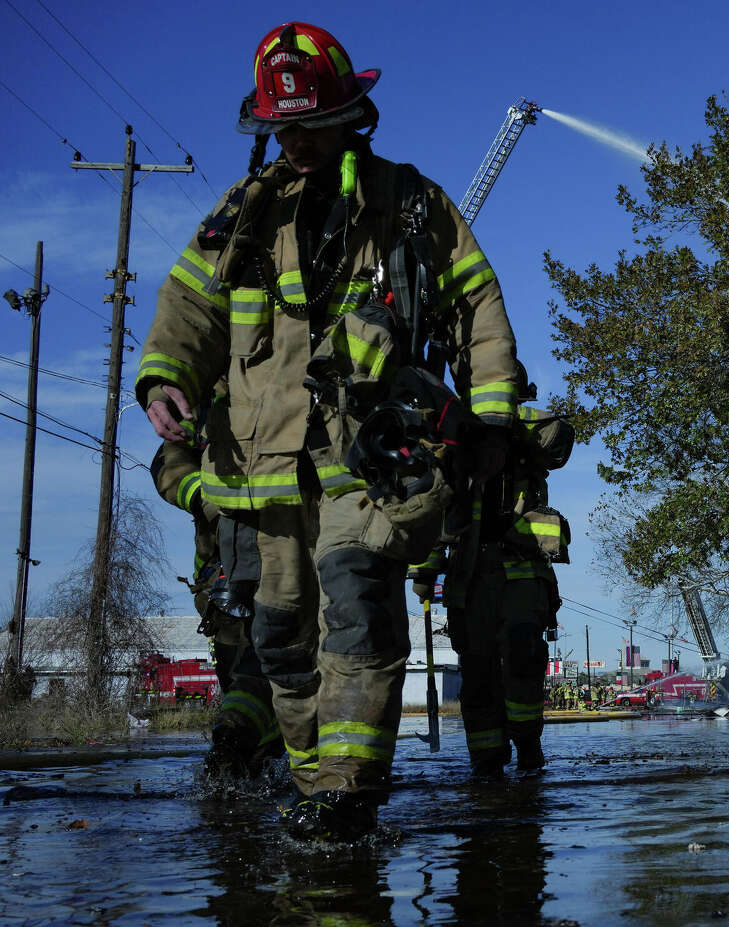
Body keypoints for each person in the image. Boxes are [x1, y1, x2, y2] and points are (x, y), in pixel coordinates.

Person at [137, 21, 520, 841]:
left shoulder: (411, 205)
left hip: (366, 463)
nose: (297, 141)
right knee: (279, 637)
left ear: (352, 113)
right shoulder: (242, 215)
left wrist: (489, 417)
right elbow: (189, 311)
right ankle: (313, 783)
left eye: (311, 123)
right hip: (261, 471)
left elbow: (481, 313)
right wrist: (165, 377)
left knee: (356, 611)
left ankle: (348, 791)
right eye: (285, 127)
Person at [412, 367, 570, 778]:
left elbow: (559, 440)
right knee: (478, 673)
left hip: (520, 571)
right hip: (469, 579)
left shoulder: (530, 433)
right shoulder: (451, 439)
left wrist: (502, 426)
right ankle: (486, 762)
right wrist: (425, 573)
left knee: (523, 653)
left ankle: (528, 745)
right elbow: (435, 510)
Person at [148, 405, 282, 782]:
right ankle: (236, 753)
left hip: (291, 570)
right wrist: (207, 500)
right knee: (246, 681)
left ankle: (242, 760)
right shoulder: (209, 410)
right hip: (229, 583)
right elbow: (167, 466)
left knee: (271, 679)